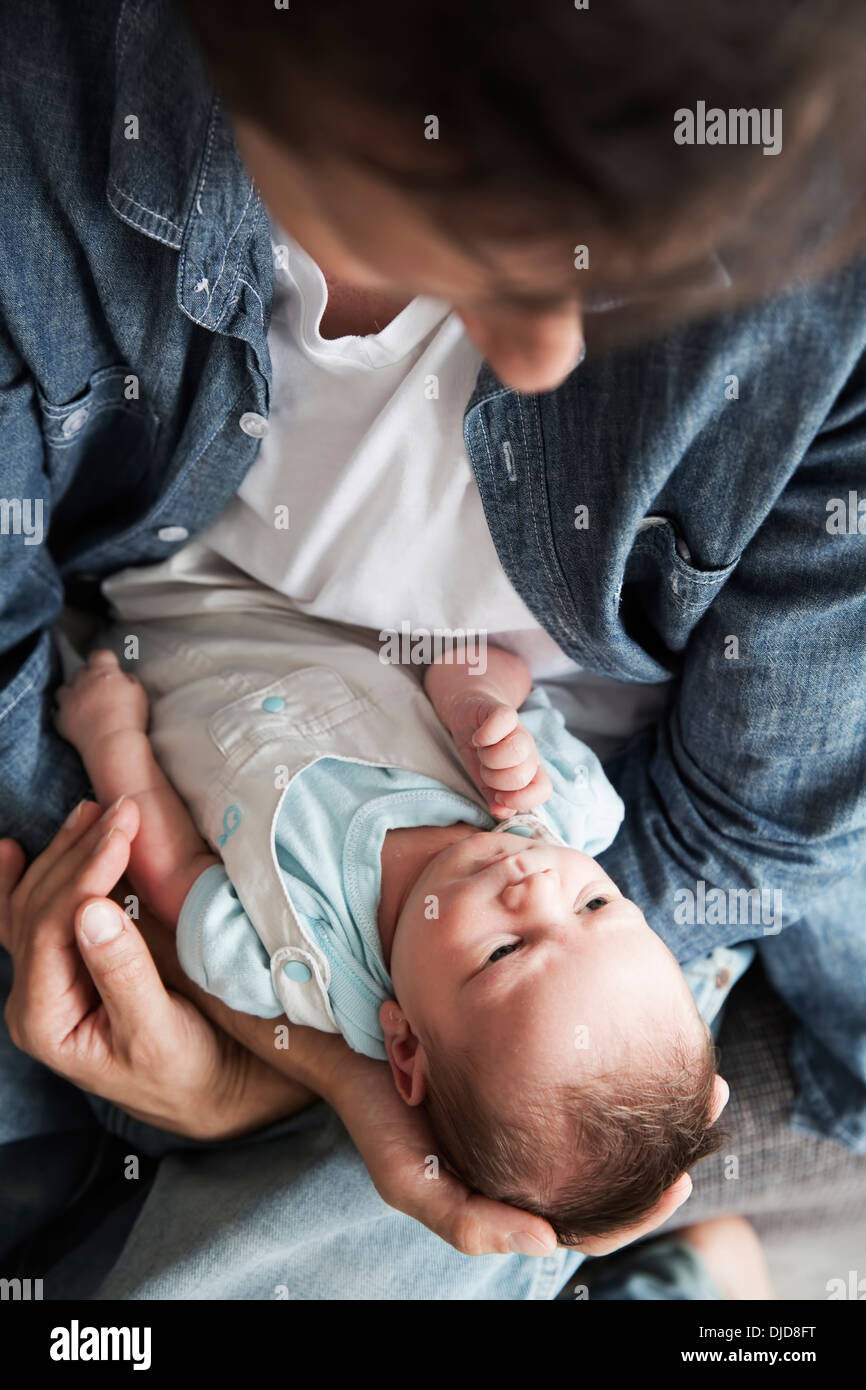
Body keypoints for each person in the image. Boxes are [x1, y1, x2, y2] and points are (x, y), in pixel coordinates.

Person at [1, 0, 865, 1298]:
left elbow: (741, 831)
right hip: (174, 631)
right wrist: (308, 1078)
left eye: (625, 268)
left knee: (449, 1214)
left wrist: (321, 1070)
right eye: (481, 239)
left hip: (533, 958)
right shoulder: (46, 105)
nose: (540, 354)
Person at [54, 632, 732, 1243]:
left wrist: (112, 741)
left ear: (405, 1045)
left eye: (505, 951)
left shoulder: (293, 967)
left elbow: (170, 867)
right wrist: (479, 699)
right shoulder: (559, 800)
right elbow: (482, 657)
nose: (536, 884)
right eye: (594, 902)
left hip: (147, 638)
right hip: (309, 595)